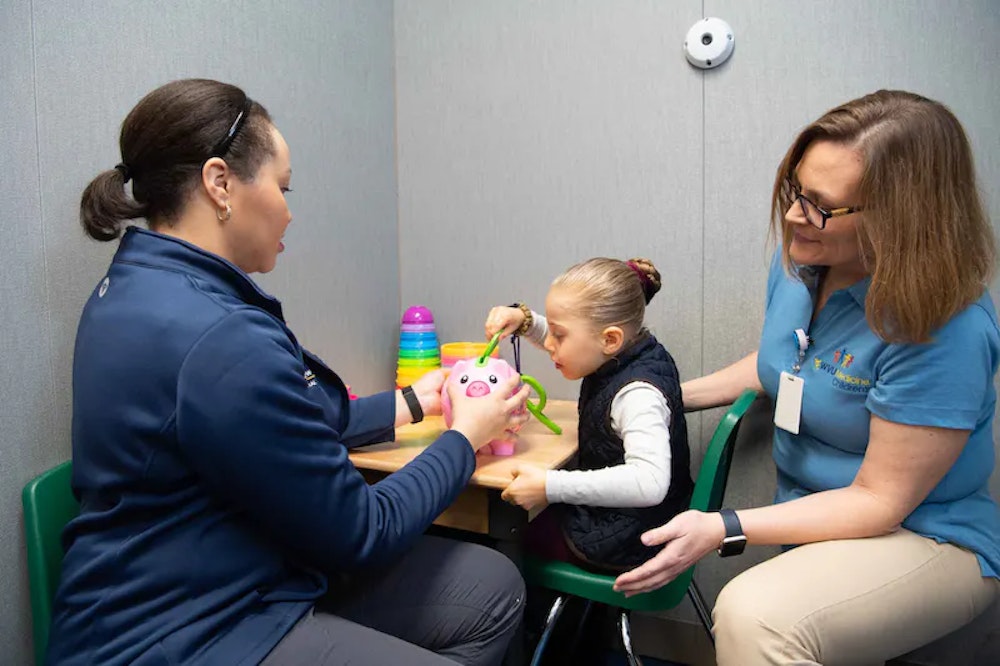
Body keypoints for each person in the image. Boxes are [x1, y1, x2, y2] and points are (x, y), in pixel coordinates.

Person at [47, 78, 531, 666]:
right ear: (220, 183)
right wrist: (466, 436)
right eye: (282, 186)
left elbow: (275, 422)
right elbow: (363, 532)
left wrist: (413, 402)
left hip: (234, 571)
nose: (289, 209)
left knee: (492, 586)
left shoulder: (138, 285)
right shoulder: (218, 334)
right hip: (184, 630)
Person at [613, 90, 1000, 665]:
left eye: (821, 204)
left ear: (901, 217)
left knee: (756, 617)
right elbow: (782, 364)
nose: (794, 214)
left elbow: (879, 500)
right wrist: (655, 398)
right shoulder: (801, 264)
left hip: (926, 534)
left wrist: (724, 527)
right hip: (818, 515)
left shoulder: (945, 327)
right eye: (796, 190)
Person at [484, 257, 693, 570]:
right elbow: (576, 339)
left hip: (630, 537)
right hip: (632, 521)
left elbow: (650, 482)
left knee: (499, 532)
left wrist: (549, 486)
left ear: (610, 339)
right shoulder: (630, 352)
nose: (550, 344)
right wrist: (524, 321)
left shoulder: (636, 394)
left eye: (559, 335)